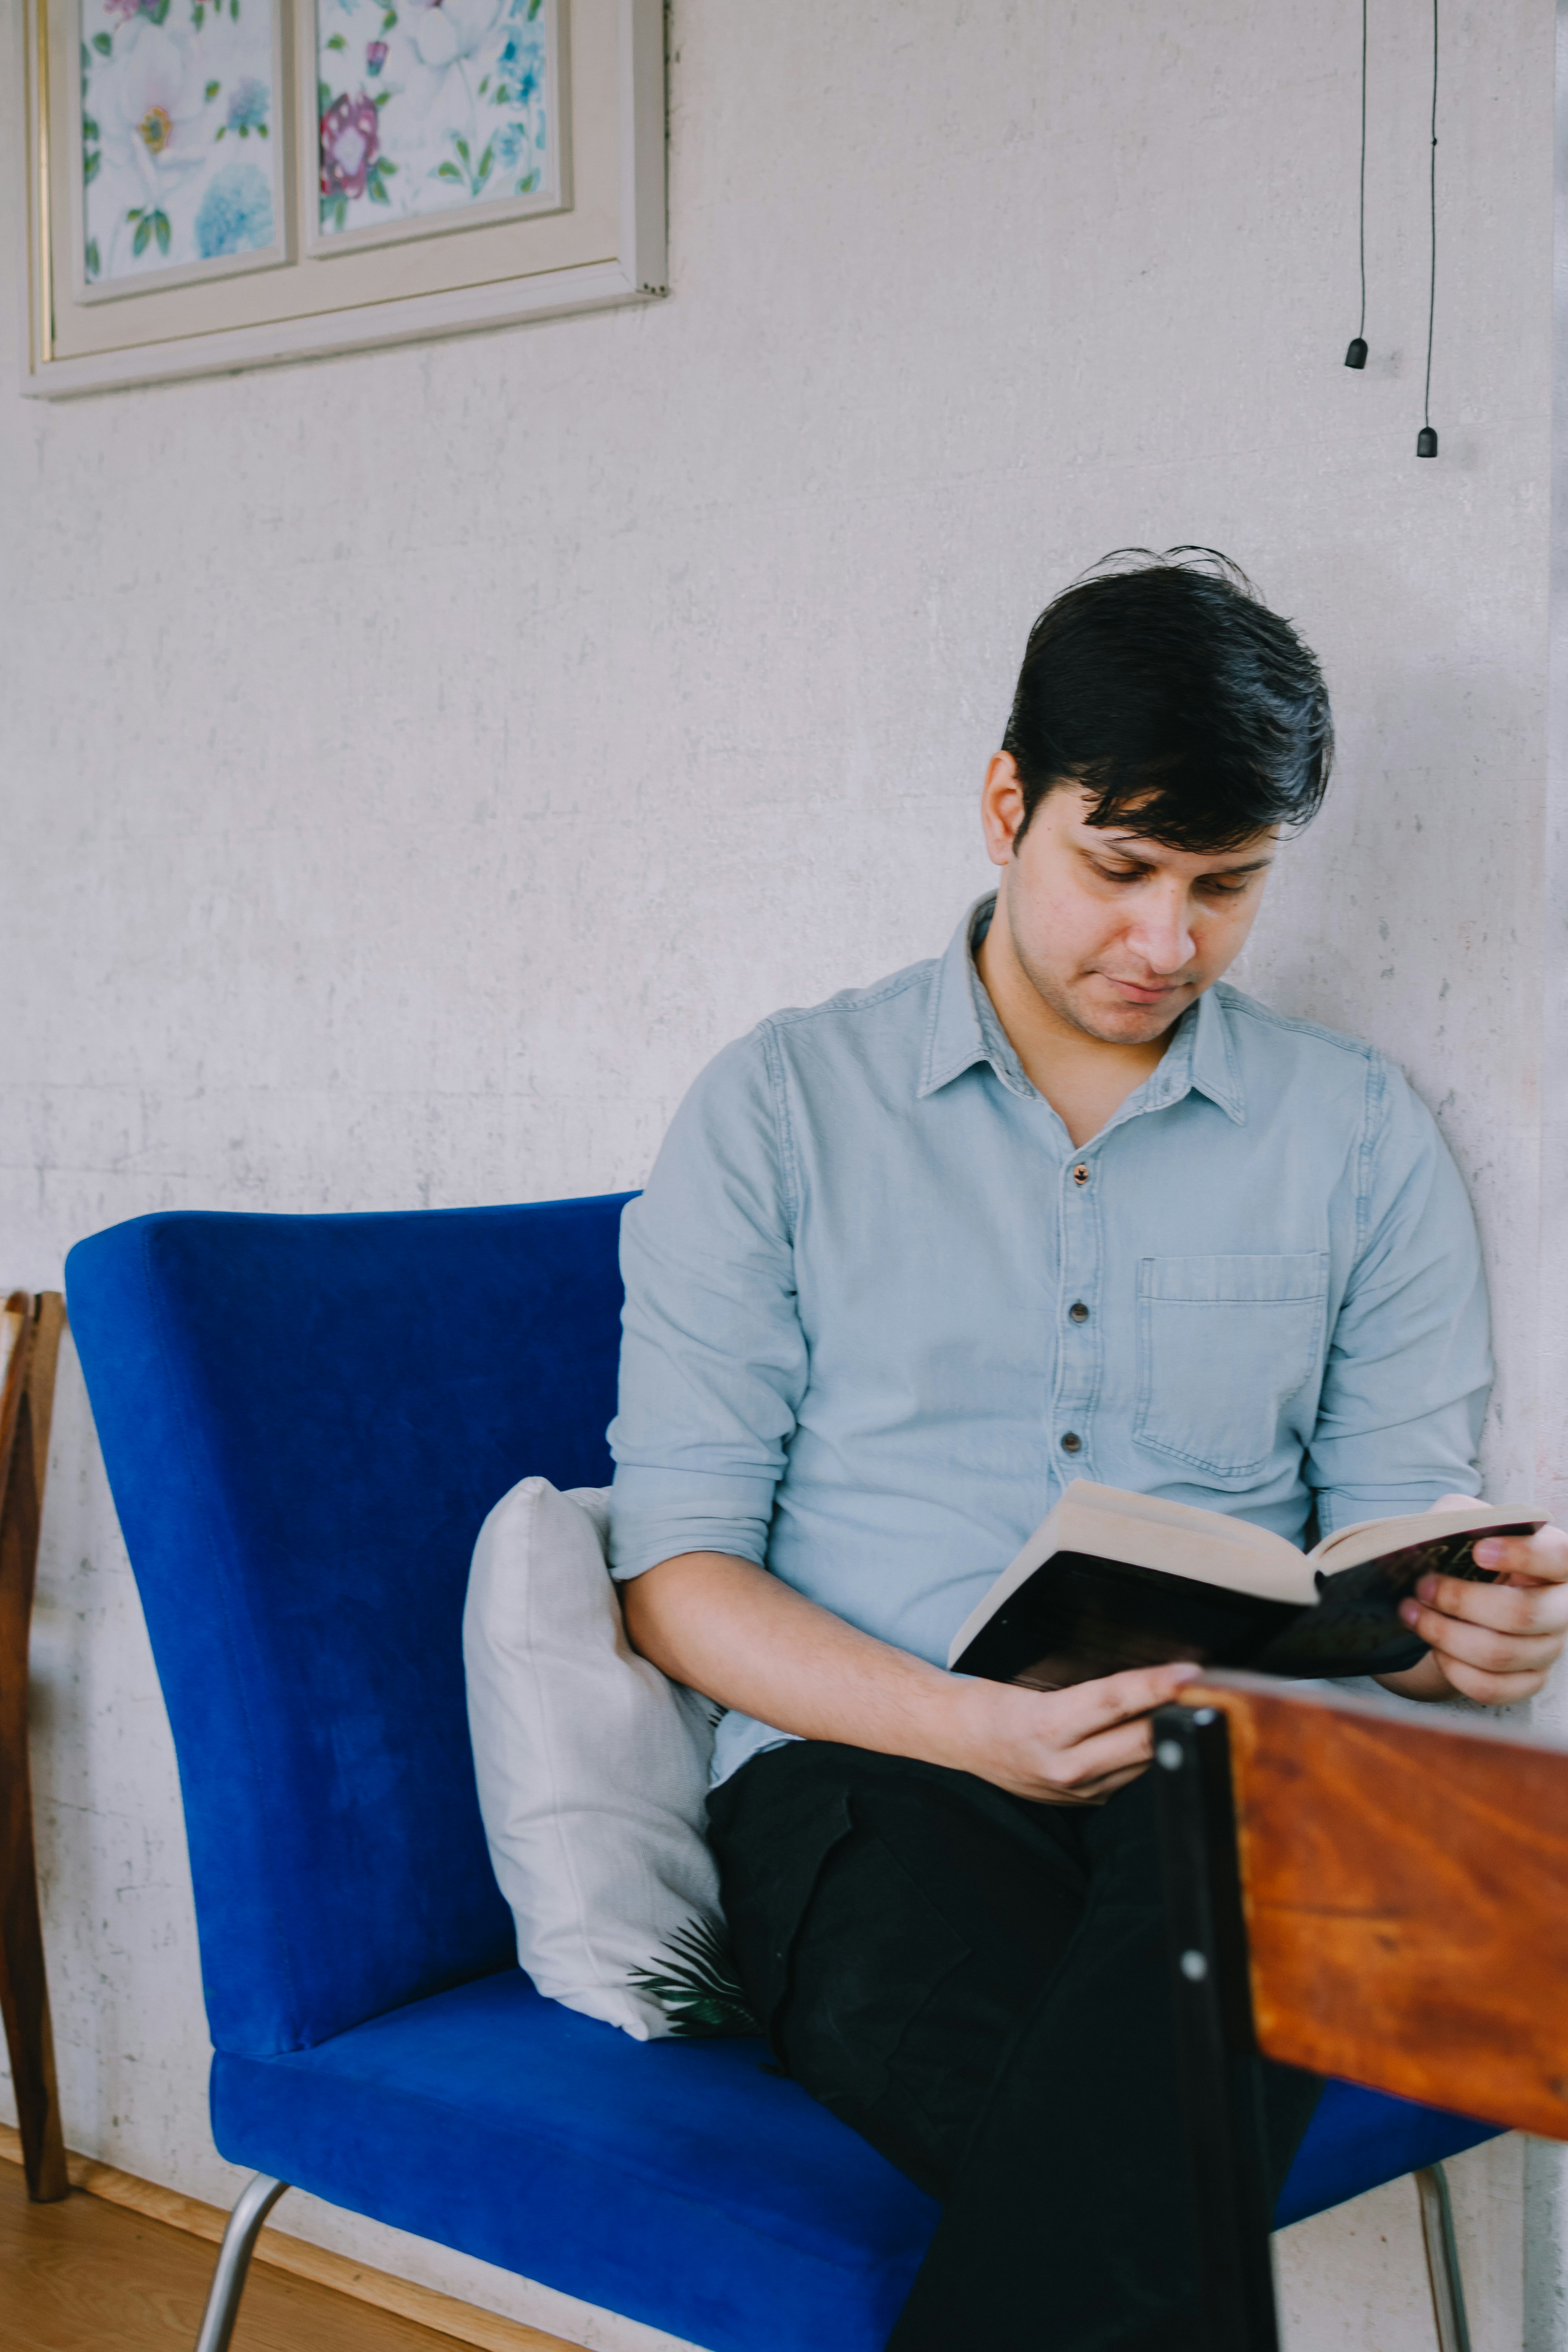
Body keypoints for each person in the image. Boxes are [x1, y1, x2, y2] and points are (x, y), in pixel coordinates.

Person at [605, 550, 1568, 2351]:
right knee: (1136, 2162)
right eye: (1119, 870)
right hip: (872, 1777)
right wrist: (973, 1727)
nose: (1165, 945)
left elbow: (1388, 1550)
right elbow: (676, 1578)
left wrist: (1468, 1640)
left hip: (1244, 1788)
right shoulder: (782, 1108)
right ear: (1006, 807)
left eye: (1226, 887)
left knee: (1218, 1994)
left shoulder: (1358, 1139)